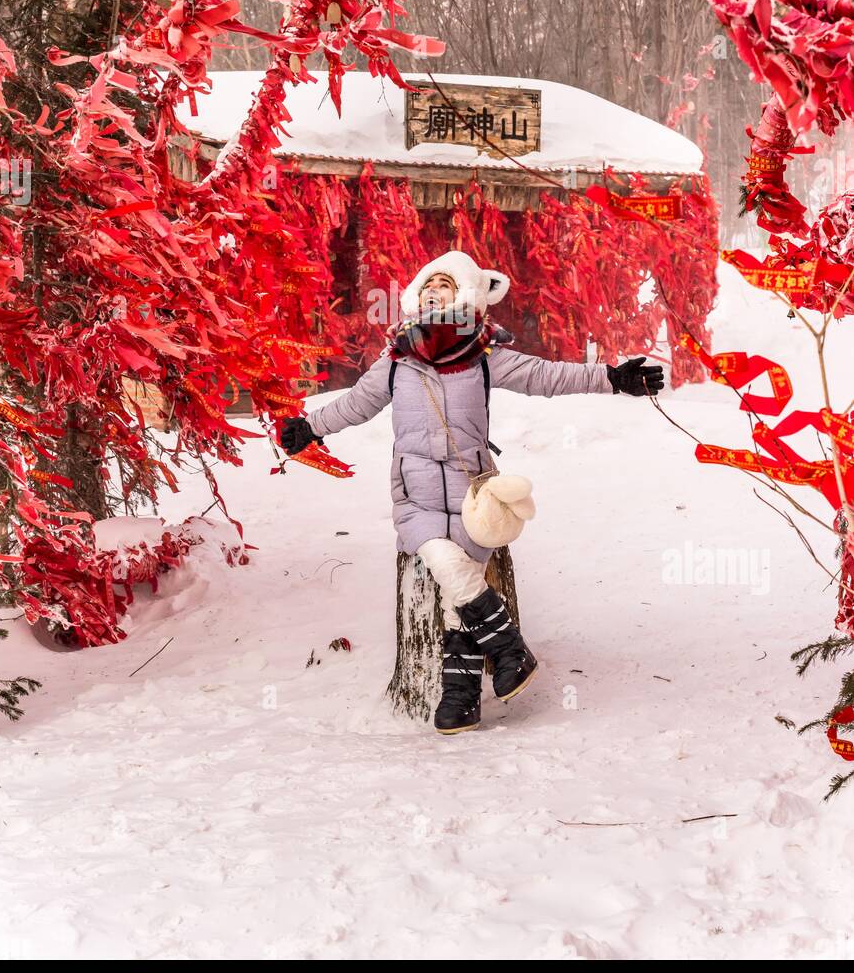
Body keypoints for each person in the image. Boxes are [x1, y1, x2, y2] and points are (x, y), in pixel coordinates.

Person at [279, 250, 663, 735]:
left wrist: (611, 378)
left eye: (446, 284)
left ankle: (461, 698)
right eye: (427, 285)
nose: (434, 291)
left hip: (472, 491)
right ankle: (508, 648)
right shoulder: (397, 358)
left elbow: (546, 376)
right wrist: (310, 428)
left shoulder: (485, 355)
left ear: (467, 294)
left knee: (455, 594)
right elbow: (357, 404)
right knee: (444, 562)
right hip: (414, 494)